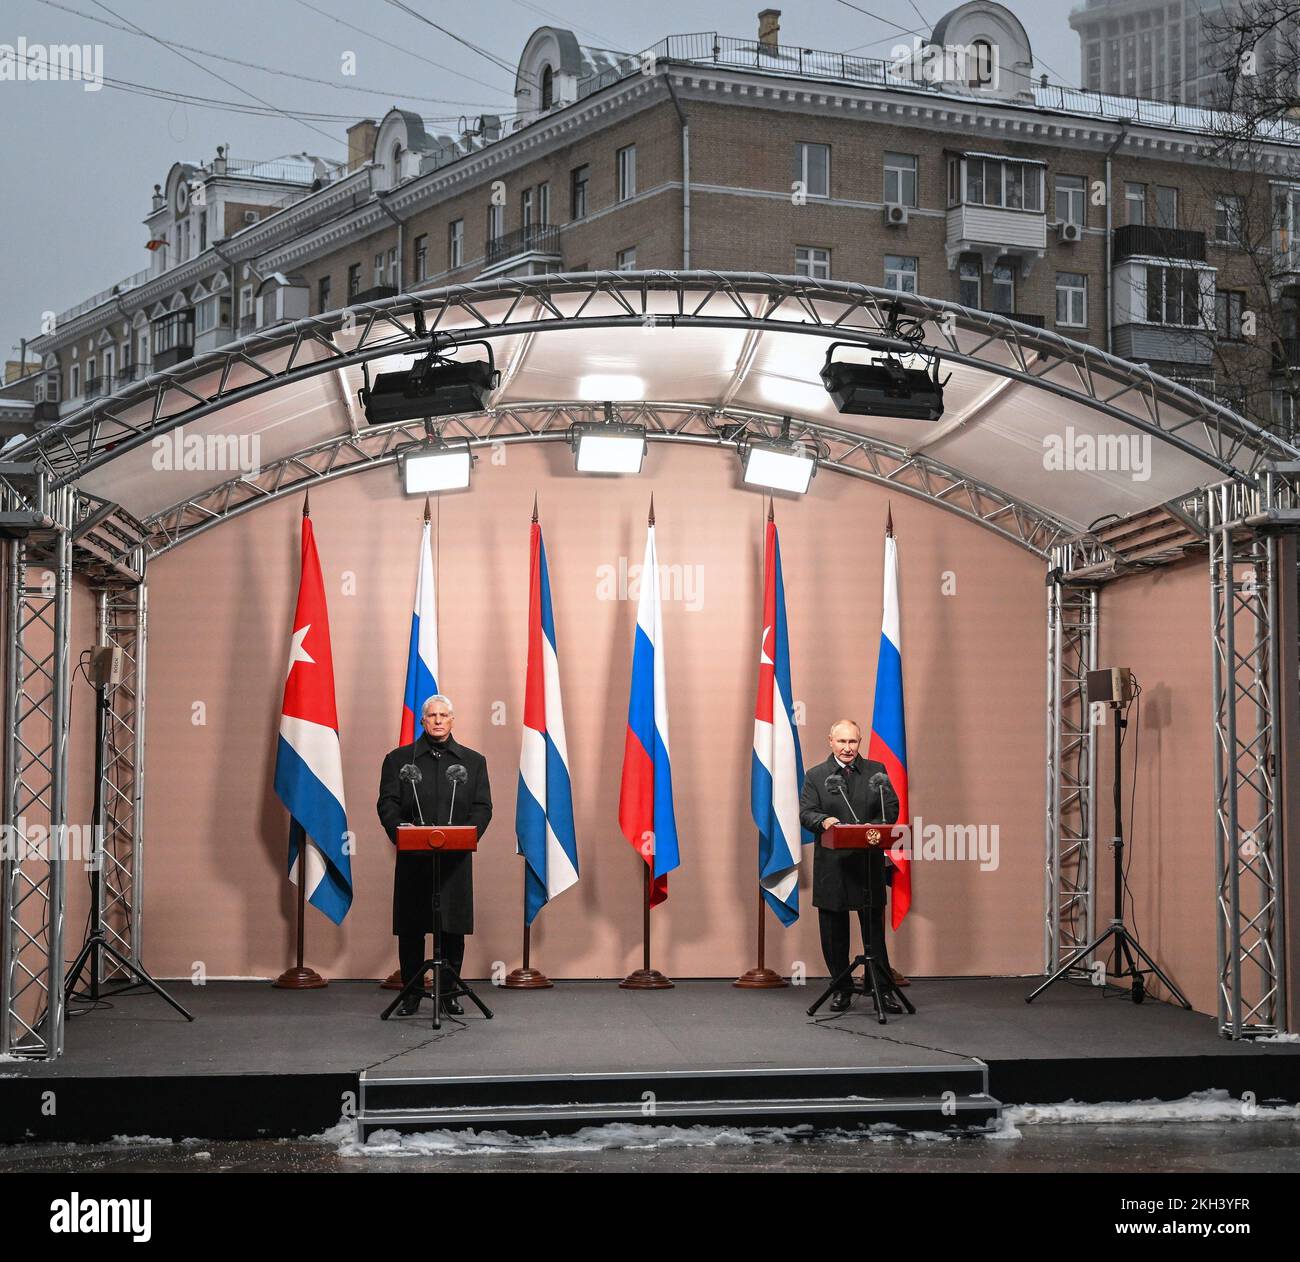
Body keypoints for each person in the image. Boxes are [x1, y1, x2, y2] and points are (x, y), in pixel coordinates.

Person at [376, 694, 492, 1016]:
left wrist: (467, 836)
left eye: (444, 715)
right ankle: (411, 994)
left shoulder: (473, 761)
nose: (438, 720)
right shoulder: (399, 760)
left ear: (453, 720)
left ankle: (449, 993)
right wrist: (401, 831)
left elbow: (483, 807)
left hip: (454, 862)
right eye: (432, 716)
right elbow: (387, 803)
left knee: (451, 928)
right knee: (412, 929)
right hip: (414, 861)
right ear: (423, 721)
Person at [799, 718, 900, 1013]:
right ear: (830, 741)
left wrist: (878, 824)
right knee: (834, 933)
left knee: (874, 934)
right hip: (833, 866)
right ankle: (841, 990)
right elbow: (806, 813)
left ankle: (882, 990)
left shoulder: (876, 772)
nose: (847, 748)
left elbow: (890, 808)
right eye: (841, 741)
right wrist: (824, 821)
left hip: (867, 865)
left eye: (852, 742)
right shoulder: (816, 775)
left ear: (859, 743)